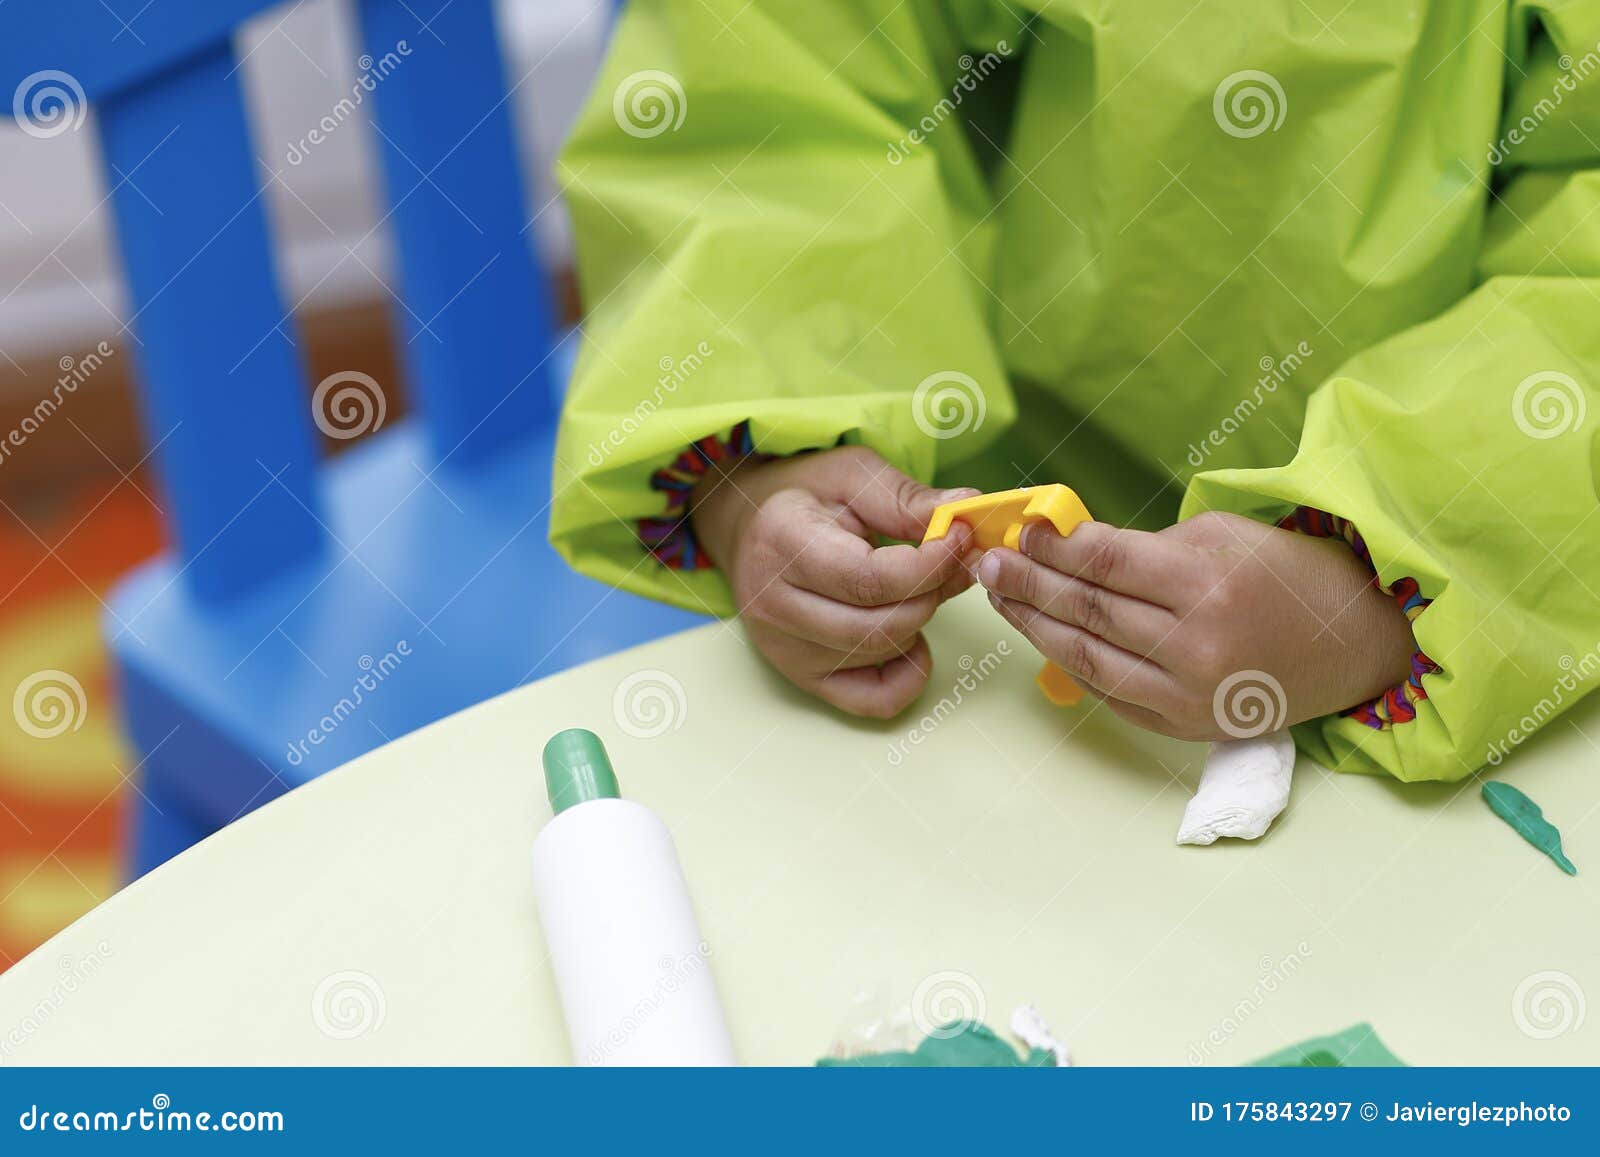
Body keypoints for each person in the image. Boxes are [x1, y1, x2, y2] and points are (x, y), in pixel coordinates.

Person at [549, 0, 1600, 783]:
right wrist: (765, 467)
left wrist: (1379, 582)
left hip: (1485, 608)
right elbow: (773, 87)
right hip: (967, 608)